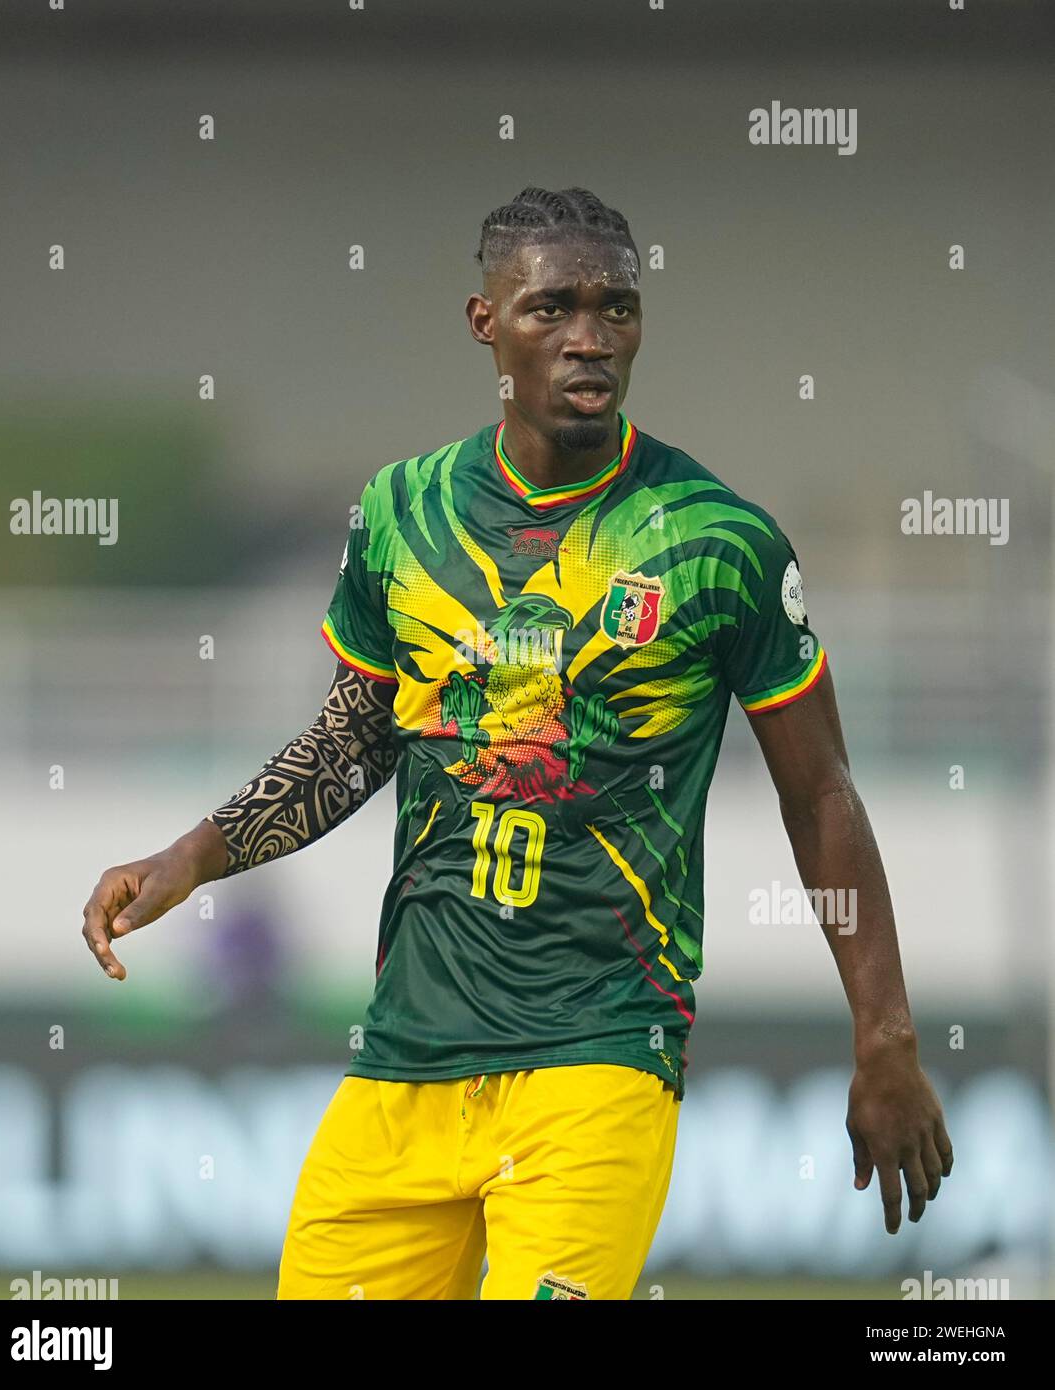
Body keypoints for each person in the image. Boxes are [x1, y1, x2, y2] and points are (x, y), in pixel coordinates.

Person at [82, 185, 953, 1300]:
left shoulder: (715, 540)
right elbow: (358, 735)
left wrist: (883, 1036)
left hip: (596, 1059)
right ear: (484, 321)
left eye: (616, 308)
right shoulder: (397, 513)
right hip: (403, 1059)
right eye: (552, 308)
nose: (589, 337)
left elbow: (819, 797)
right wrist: (191, 857)